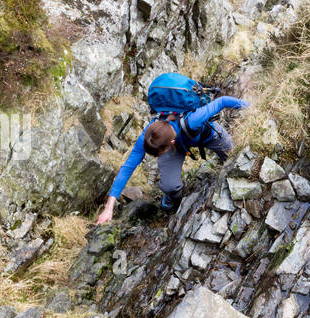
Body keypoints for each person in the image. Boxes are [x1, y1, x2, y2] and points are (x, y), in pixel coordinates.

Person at [94, 94, 249, 225]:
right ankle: (171, 199)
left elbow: (222, 101)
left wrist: (249, 107)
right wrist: (109, 206)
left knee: (234, 160)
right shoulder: (150, 136)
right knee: (170, 186)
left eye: (160, 154)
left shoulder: (194, 119)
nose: (159, 157)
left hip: (206, 136)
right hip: (175, 144)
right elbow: (128, 167)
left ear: (170, 144)